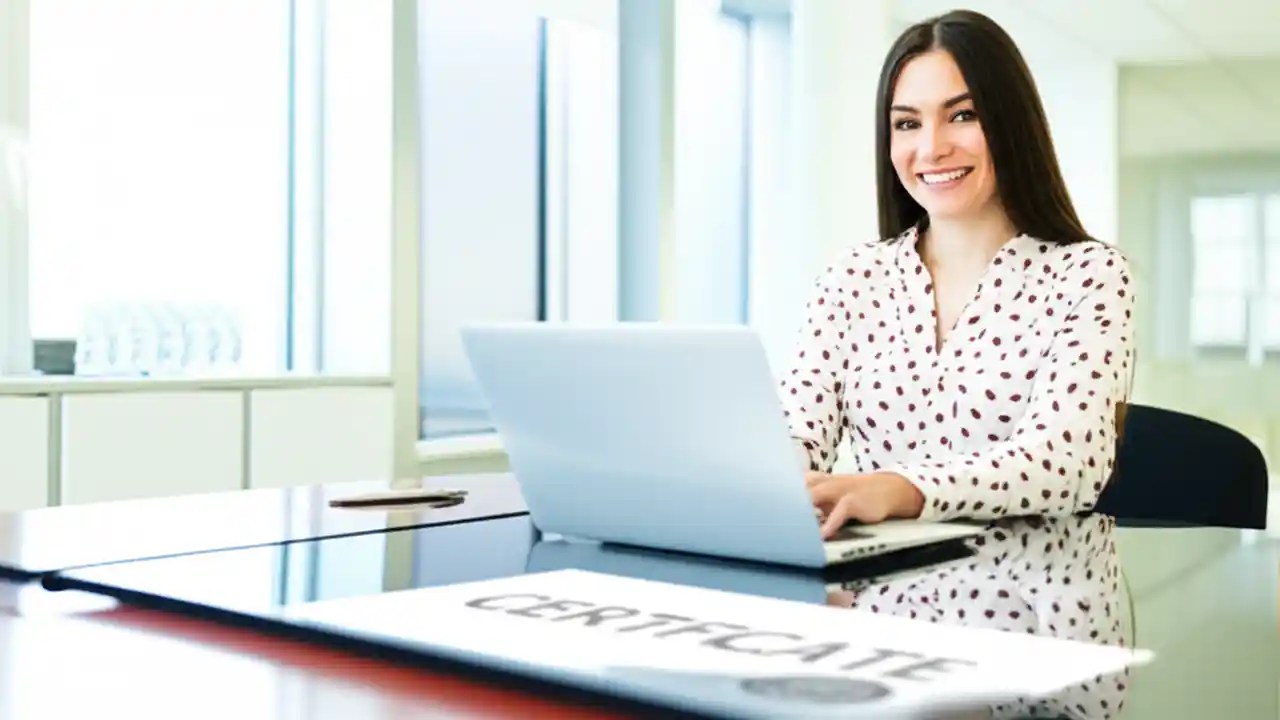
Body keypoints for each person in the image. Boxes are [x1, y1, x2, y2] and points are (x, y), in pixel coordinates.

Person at [783, 12, 1137, 717]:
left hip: (1043, 649)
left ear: (1010, 122)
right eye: (906, 123)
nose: (932, 146)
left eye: (963, 115)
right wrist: (779, 499)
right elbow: (796, 428)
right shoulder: (850, 280)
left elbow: (1070, 460)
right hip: (876, 634)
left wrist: (901, 487)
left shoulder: (1090, 276)